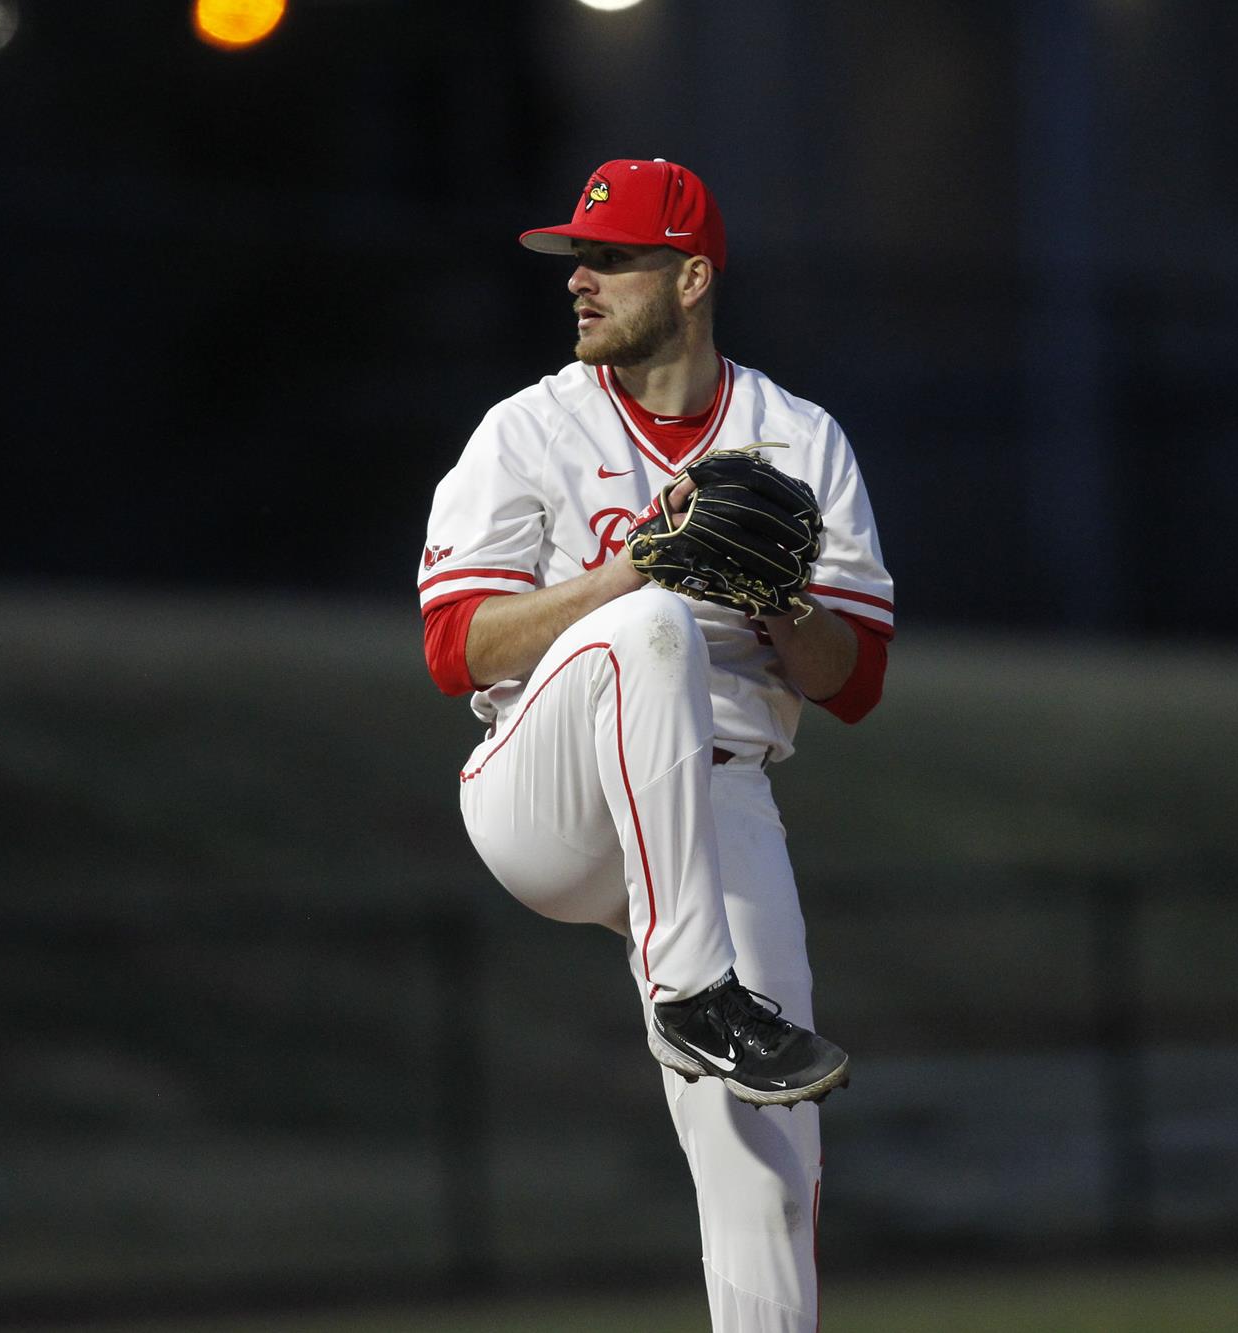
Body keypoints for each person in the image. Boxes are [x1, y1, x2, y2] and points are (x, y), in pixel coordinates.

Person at [415, 157, 894, 1333]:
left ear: (688, 278)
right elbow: (452, 647)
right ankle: (692, 990)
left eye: (609, 258)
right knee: (649, 622)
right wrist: (637, 566)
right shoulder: (525, 431)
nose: (578, 280)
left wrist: (783, 601)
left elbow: (856, 683)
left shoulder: (796, 438)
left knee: (769, 1177)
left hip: (714, 796)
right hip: (546, 784)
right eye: (574, 258)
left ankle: (701, 997)